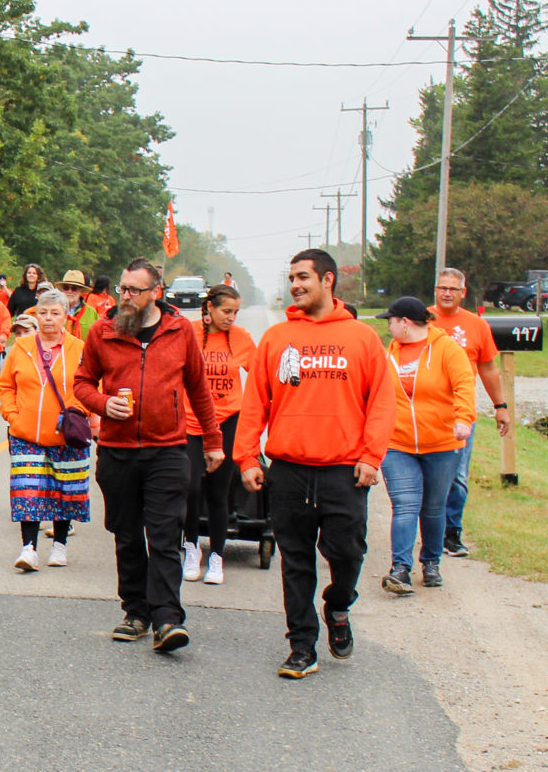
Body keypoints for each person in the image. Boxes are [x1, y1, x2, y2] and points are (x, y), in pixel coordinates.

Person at [234, 249, 396, 679]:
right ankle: (302, 647)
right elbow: (255, 405)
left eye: (303, 276)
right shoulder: (276, 338)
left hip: (345, 473)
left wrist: (370, 456)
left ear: (328, 280)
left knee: (348, 554)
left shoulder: (362, 338)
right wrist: (248, 456)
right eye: (291, 278)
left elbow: (381, 403)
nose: (295, 285)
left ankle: (338, 605)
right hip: (288, 472)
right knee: (296, 562)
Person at [73, 259, 221, 655]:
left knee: (165, 534)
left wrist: (213, 441)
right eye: (122, 288)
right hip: (118, 452)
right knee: (126, 534)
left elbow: (199, 389)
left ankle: (167, 617)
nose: (125, 297)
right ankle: (135, 612)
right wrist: (103, 405)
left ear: (156, 292)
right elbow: (82, 383)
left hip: (167, 450)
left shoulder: (180, 332)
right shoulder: (103, 332)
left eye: (133, 291)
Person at [379, 296, 476, 594]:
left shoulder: (447, 349)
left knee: (433, 507)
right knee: (405, 504)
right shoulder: (389, 355)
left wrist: (463, 419)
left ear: (405, 323)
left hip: (441, 443)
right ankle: (400, 569)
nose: (388, 328)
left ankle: (431, 562)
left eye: (391, 322)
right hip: (398, 443)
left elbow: (464, 385)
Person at [0, 286, 94, 570]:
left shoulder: (79, 349)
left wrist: (80, 411)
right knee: (27, 490)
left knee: (63, 489)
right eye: (43, 312)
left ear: (66, 316)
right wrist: (12, 415)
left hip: (66, 434)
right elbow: (6, 385)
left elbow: (90, 385)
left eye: (55, 313)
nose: (49, 318)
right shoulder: (21, 348)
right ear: (35, 315)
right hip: (25, 434)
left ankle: (60, 546)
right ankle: (28, 548)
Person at [430, 267, 511, 557]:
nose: (447, 293)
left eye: (453, 289)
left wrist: (500, 407)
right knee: (427, 478)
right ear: (435, 290)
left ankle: (452, 533)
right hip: (425, 415)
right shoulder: (421, 320)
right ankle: (429, 531)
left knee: (457, 477)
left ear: (463, 293)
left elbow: (488, 367)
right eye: (442, 288)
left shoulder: (477, 326)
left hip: (461, 414)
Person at [181, 284, 255, 586]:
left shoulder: (241, 338)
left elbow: (261, 377)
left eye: (236, 312)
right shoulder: (189, 332)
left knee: (218, 492)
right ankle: (191, 548)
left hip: (227, 420)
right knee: (191, 487)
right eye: (227, 311)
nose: (232, 318)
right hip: (190, 420)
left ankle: (217, 557)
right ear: (209, 308)